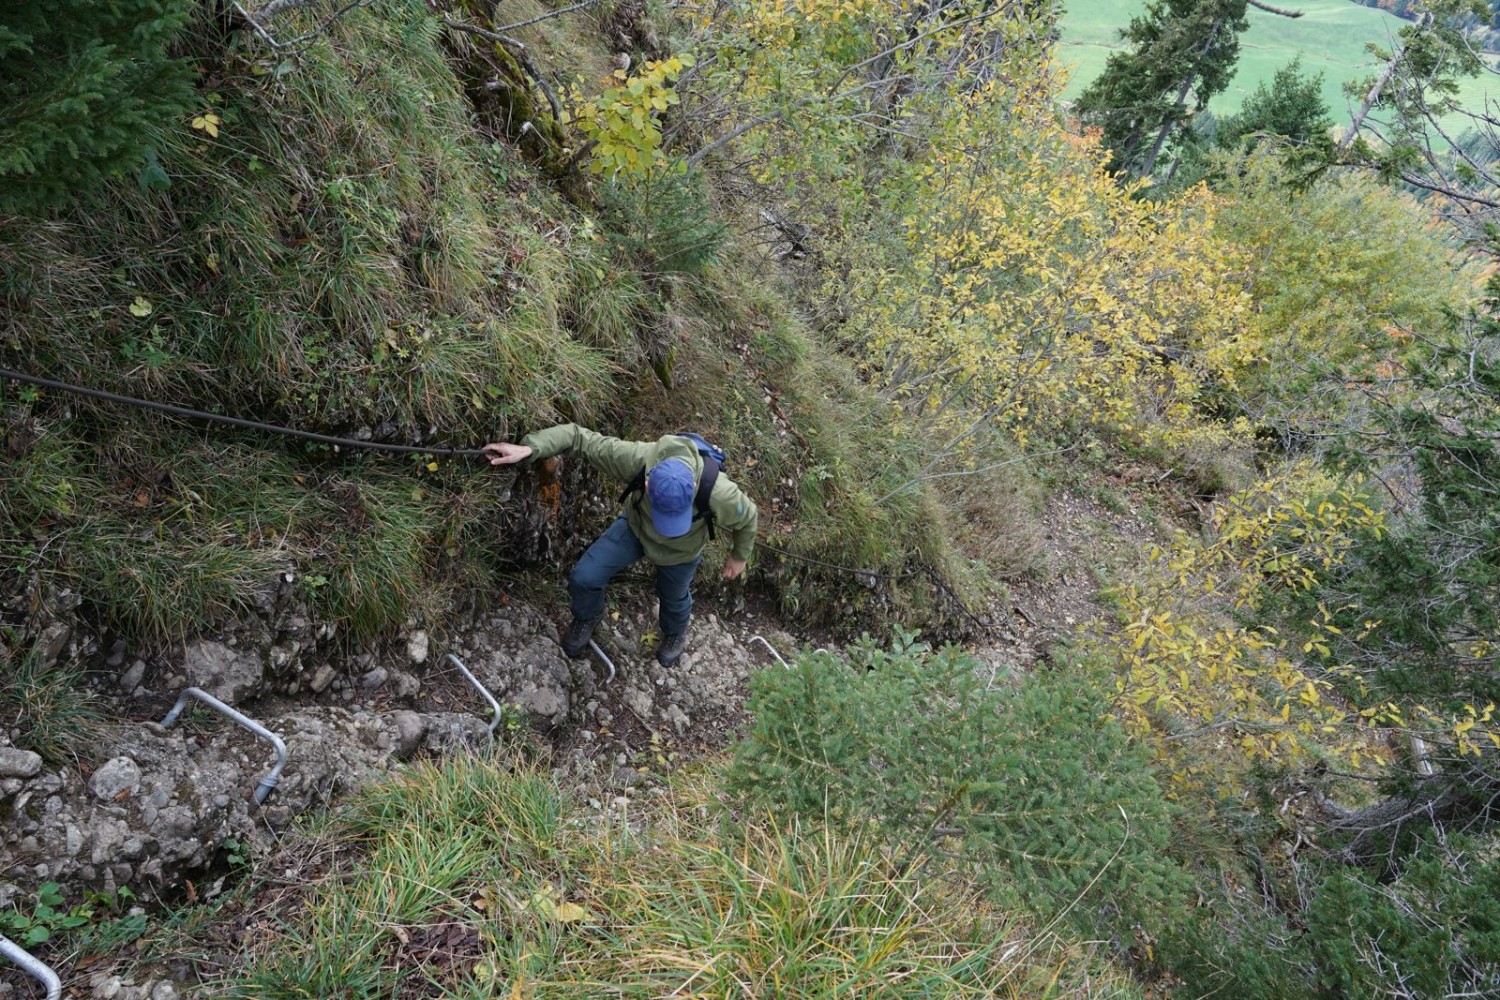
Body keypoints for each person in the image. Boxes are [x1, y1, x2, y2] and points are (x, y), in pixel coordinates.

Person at [483, 425, 757, 667]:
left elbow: (748, 518)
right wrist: (531, 447)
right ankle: (587, 617)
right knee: (585, 577)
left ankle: (675, 633)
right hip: (636, 529)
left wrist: (739, 556)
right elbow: (578, 438)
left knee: (673, 597)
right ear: (647, 484)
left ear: (695, 485)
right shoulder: (636, 460)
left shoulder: (721, 493)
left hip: (681, 551)